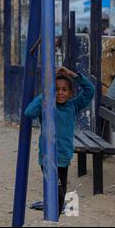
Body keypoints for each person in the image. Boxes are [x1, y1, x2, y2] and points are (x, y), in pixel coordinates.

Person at [24, 66, 95, 217]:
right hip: (48, 157)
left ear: (71, 93)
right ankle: (51, 214)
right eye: (56, 89)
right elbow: (29, 112)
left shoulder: (73, 105)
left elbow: (90, 90)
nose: (60, 92)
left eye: (64, 90)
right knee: (56, 193)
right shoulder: (47, 105)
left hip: (64, 157)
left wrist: (72, 75)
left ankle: (52, 209)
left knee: (60, 196)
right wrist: (46, 93)